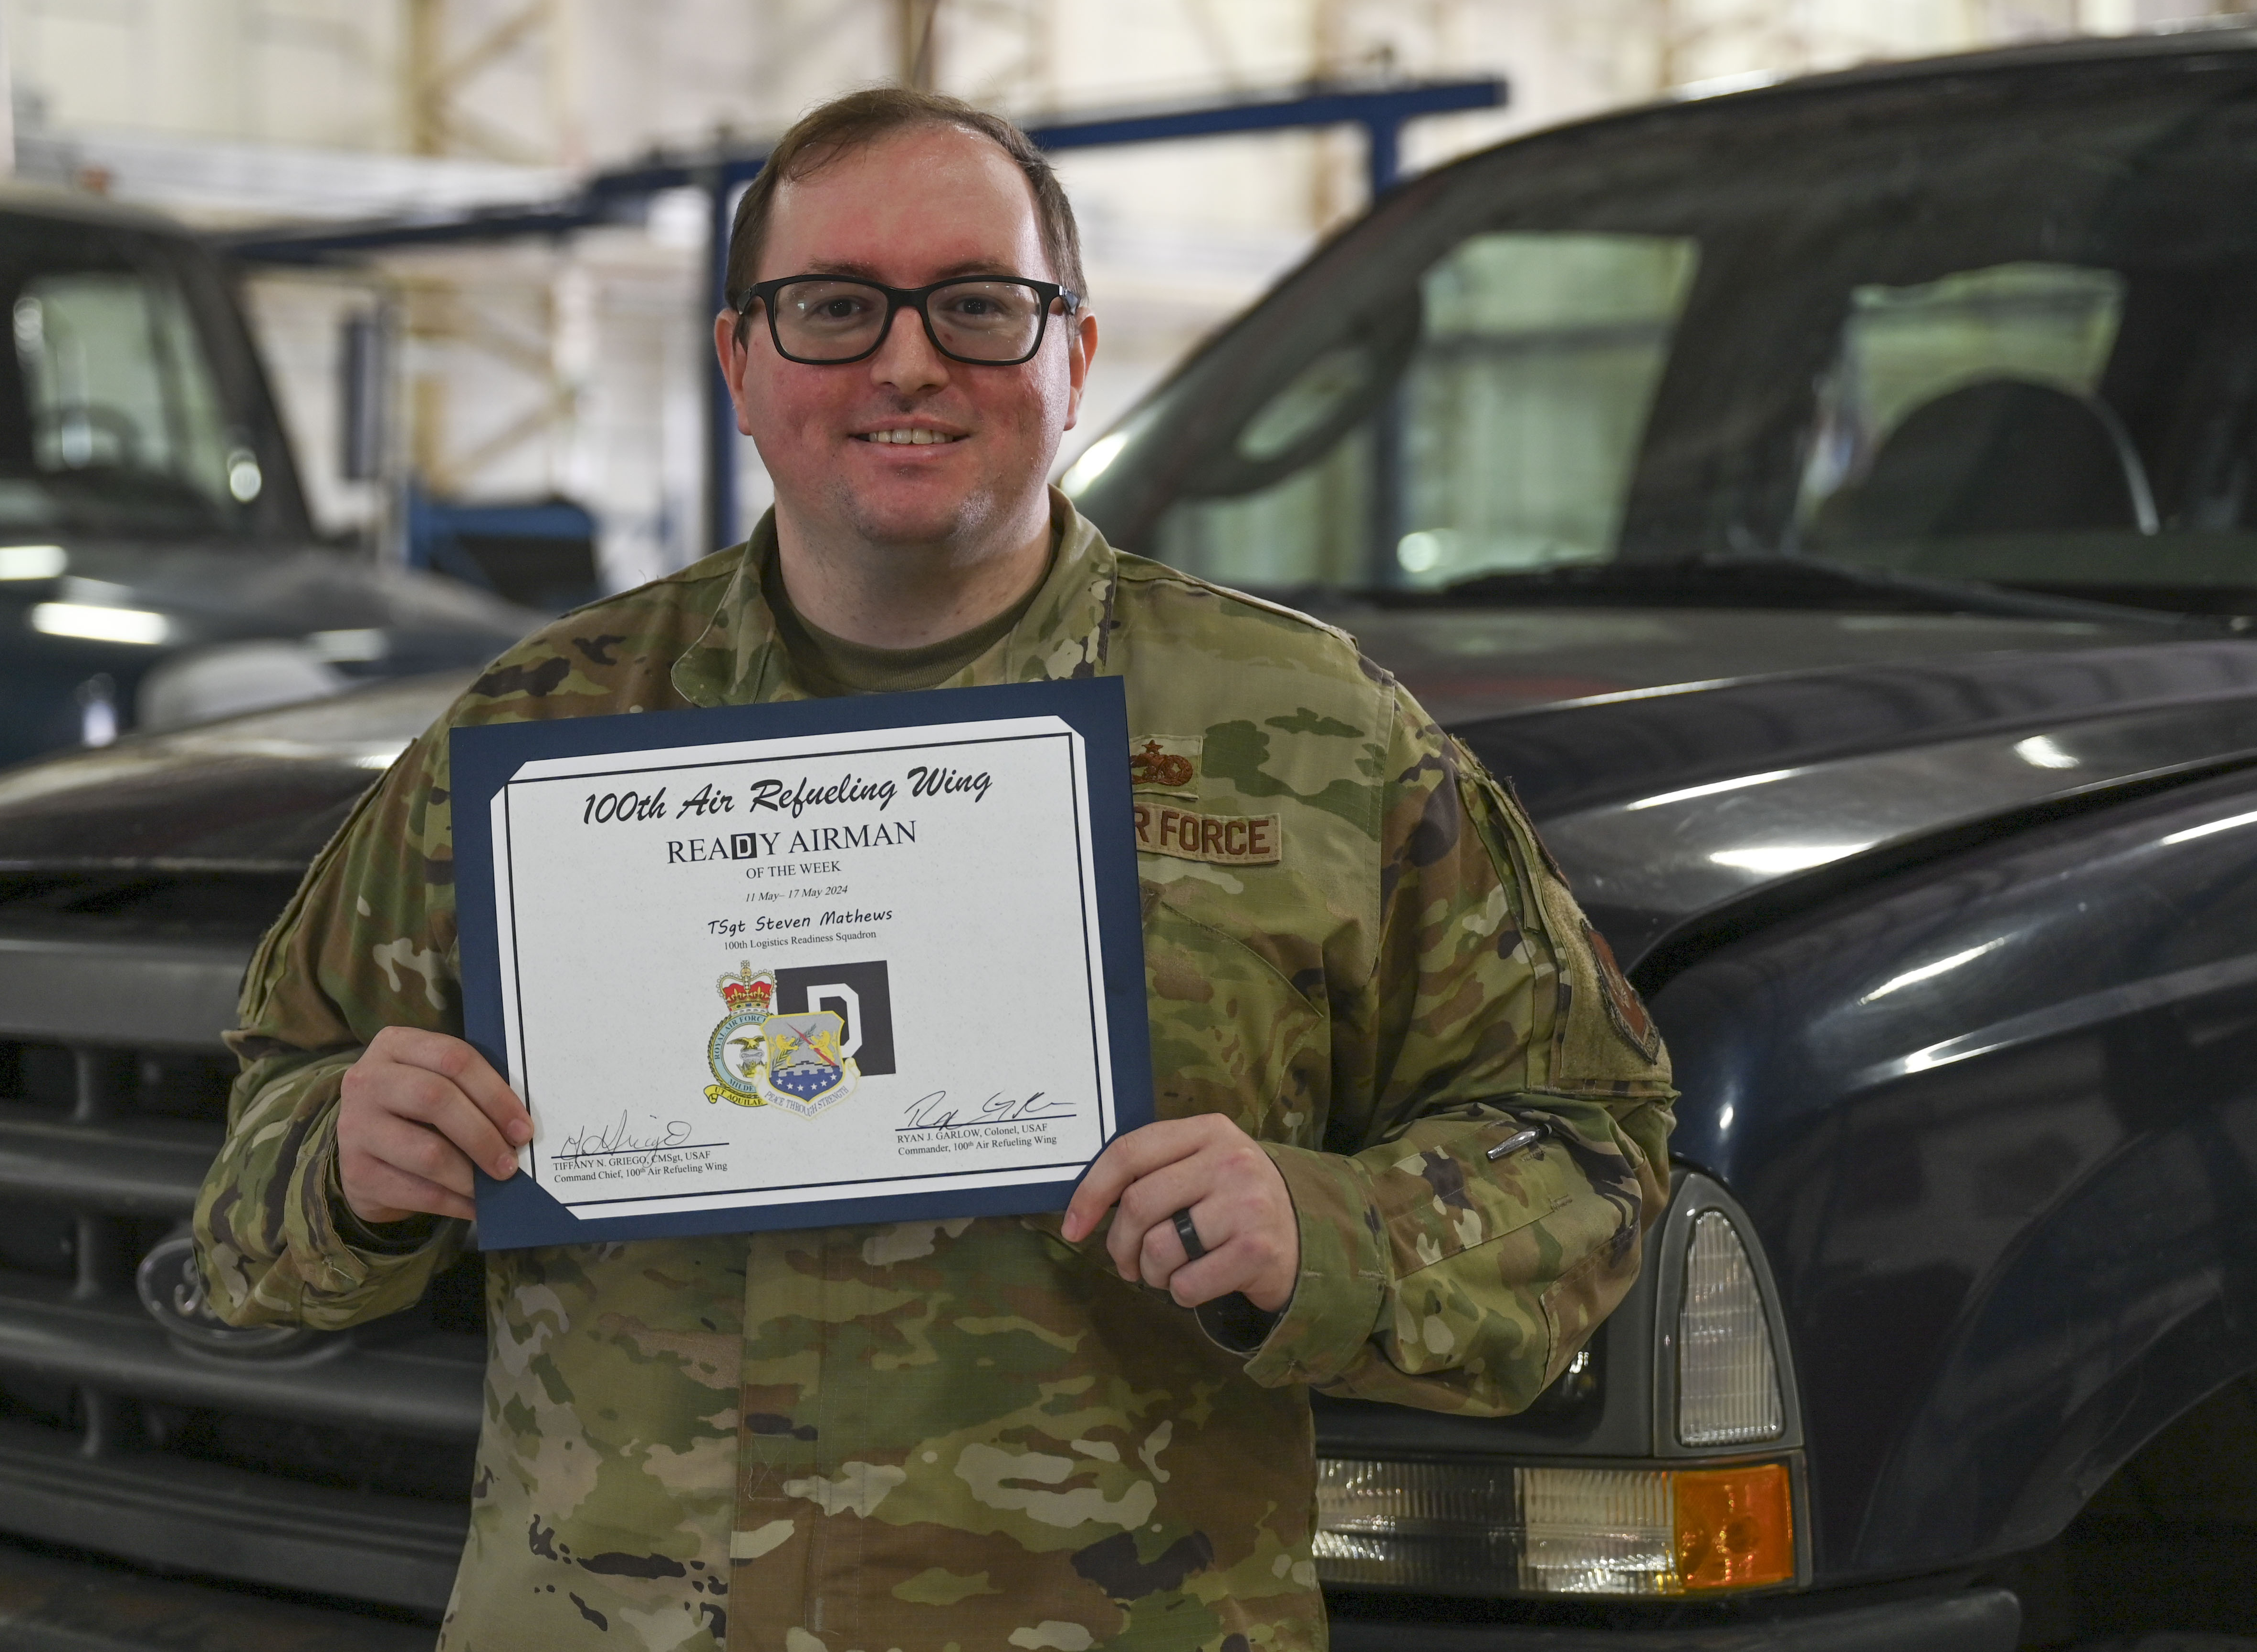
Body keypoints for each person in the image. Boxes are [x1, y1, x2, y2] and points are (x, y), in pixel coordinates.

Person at [194, 86, 1676, 1652]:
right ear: (740, 367)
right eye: (834, 308)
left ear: (1075, 358)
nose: (907, 361)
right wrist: (344, 1169)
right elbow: (254, 1175)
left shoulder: (1314, 739)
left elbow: (1592, 1134)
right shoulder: (540, 736)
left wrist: (1329, 1230)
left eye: (978, 305)